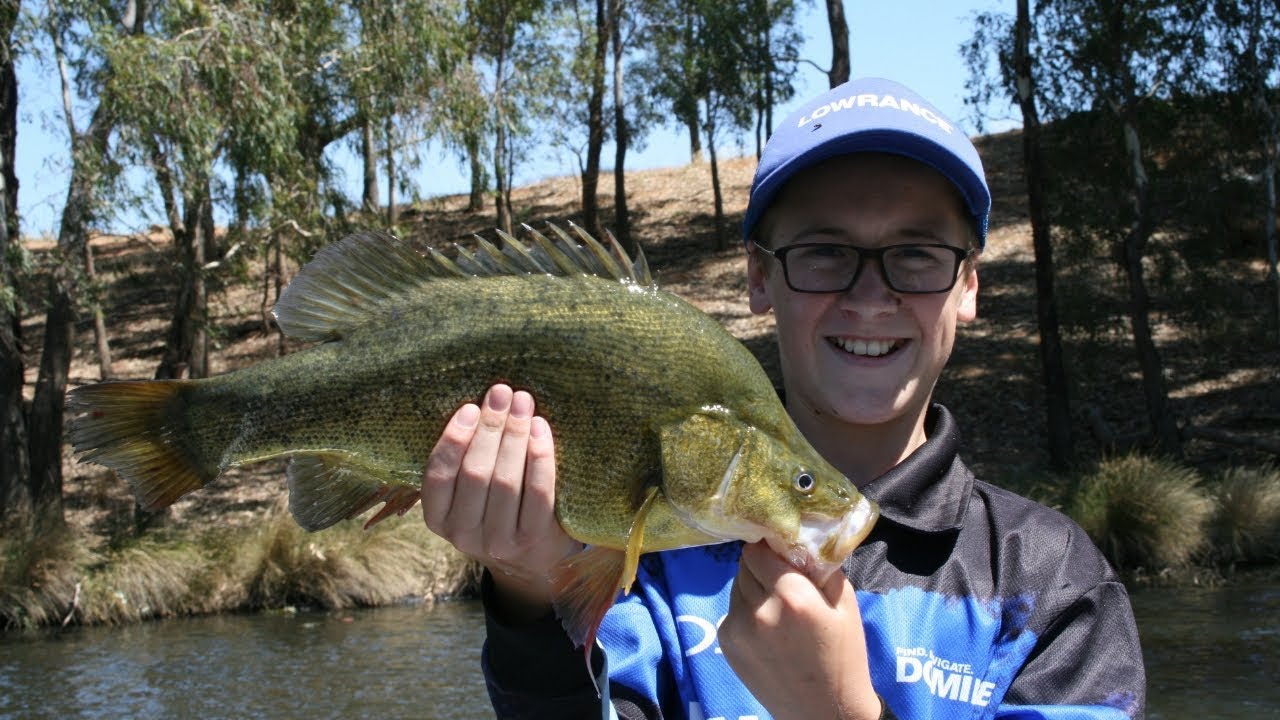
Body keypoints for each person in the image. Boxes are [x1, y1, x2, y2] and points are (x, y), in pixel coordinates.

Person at [420, 76, 1147, 720]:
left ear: (969, 287)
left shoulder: (1050, 583)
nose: (870, 297)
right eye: (825, 252)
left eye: (918, 255)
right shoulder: (640, 549)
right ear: (759, 278)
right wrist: (525, 587)